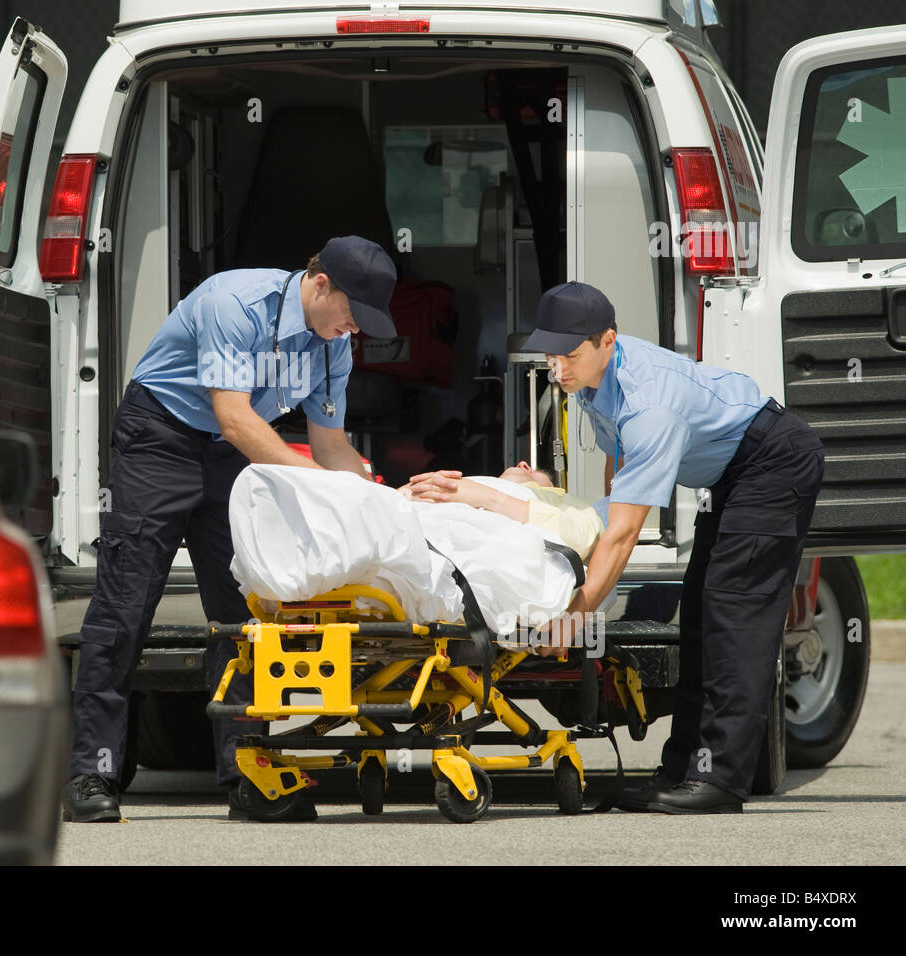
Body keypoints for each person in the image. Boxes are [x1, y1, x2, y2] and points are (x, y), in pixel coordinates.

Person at [63, 234, 398, 823]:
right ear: (322, 285)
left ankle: (249, 776)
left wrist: (376, 498)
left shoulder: (334, 347)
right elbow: (236, 417)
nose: (354, 329)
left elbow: (331, 444)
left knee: (244, 615)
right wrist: (322, 485)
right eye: (351, 313)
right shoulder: (236, 303)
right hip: (161, 438)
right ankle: (92, 772)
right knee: (124, 607)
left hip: (231, 455)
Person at [523, 281, 825, 814]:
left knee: (733, 621)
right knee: (700, 619)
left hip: (773, 463)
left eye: (570, 355)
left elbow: (624, 530)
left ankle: (720, 780)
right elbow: (620, 481)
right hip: (732, 476)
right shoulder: (590, 385)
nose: (558, 368)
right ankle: (684, 768)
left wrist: (577, 614)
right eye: (550, 355)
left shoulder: (649, 403)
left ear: (608, 340)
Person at [401, 460, 604, 561]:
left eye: (535, 473)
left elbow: (582, 537)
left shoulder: (563, 502)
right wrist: (406, 491)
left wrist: (492, 499)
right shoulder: (470, 483)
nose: (523, 464)